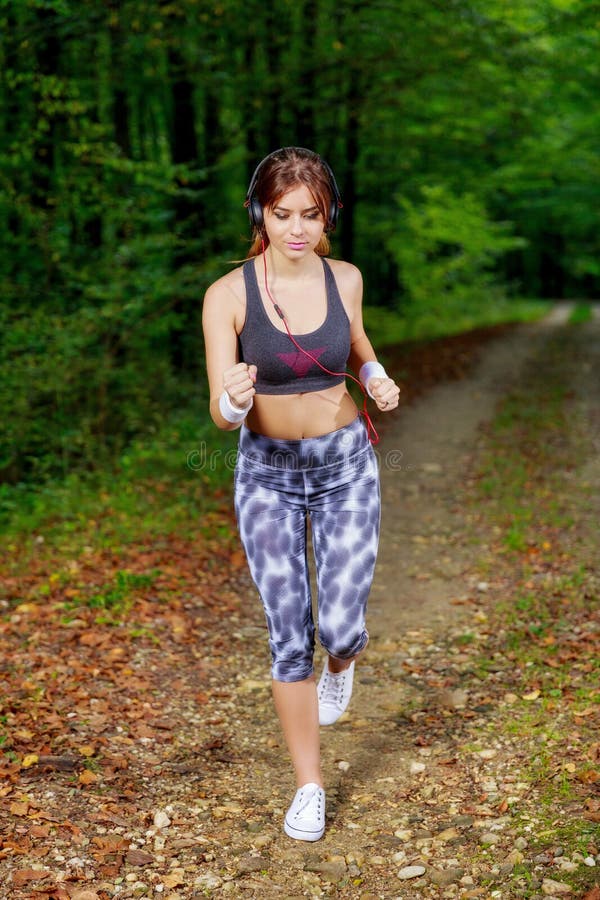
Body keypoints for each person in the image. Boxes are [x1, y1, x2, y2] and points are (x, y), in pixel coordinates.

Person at [202, 147, 400, 842]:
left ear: (328, 216)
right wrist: (234, 400)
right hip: (267, 473)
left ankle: (343, 661)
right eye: (282, 213)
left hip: (345, 463)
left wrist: (374, 377)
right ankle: (309, 786)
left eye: (310, 215)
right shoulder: (228, 296)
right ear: (259, 212)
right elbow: (220, 413)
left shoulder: (345, 278)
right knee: (289, 635)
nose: (296, 228)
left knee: (339, 626)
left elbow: (358, 346)